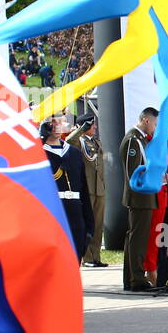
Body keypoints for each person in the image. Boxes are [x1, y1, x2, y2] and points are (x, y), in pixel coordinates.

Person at [41, 115, 93, 260]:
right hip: (54, 211)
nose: (57, 125)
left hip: (75, 209)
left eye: (60, 121)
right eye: (52, 122)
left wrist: (89, 223)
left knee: (75, 255)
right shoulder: (40, 153)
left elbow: (83, 190)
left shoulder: (74, 153)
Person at [120, 107, 159, 292]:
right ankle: (136, 279)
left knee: (137, 238)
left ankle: (132, 277)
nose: (155, 128)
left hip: (145, 196)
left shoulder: (140, 139)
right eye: (154, 124)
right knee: (137, 239)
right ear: (146, 120)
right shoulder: (132, 140)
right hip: (140, 197)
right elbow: (132, 173)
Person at [70, 113, 108, 268]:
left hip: (99, 188)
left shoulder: (96, 141)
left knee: (98, 225)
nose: (95, 127)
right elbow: (69, 142)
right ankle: (87, 257)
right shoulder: (79, 141)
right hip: (87, 188)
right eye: (92, 125)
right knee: (87, 224)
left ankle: (96, 256)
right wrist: (80, 130)